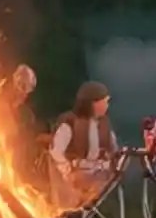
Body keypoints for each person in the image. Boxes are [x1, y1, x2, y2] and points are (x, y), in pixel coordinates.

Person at [50, 81, 119, 209]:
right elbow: (56, 151)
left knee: (111, 174)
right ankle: (78, 209)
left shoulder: (104, 123)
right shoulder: (70, 122)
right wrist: (67, 171)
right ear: (93, 103)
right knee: (89, 180)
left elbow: (114, 150)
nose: (106, 105)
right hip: (76, 173)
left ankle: (88, 208)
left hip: (101, 172)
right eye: (104, 101)